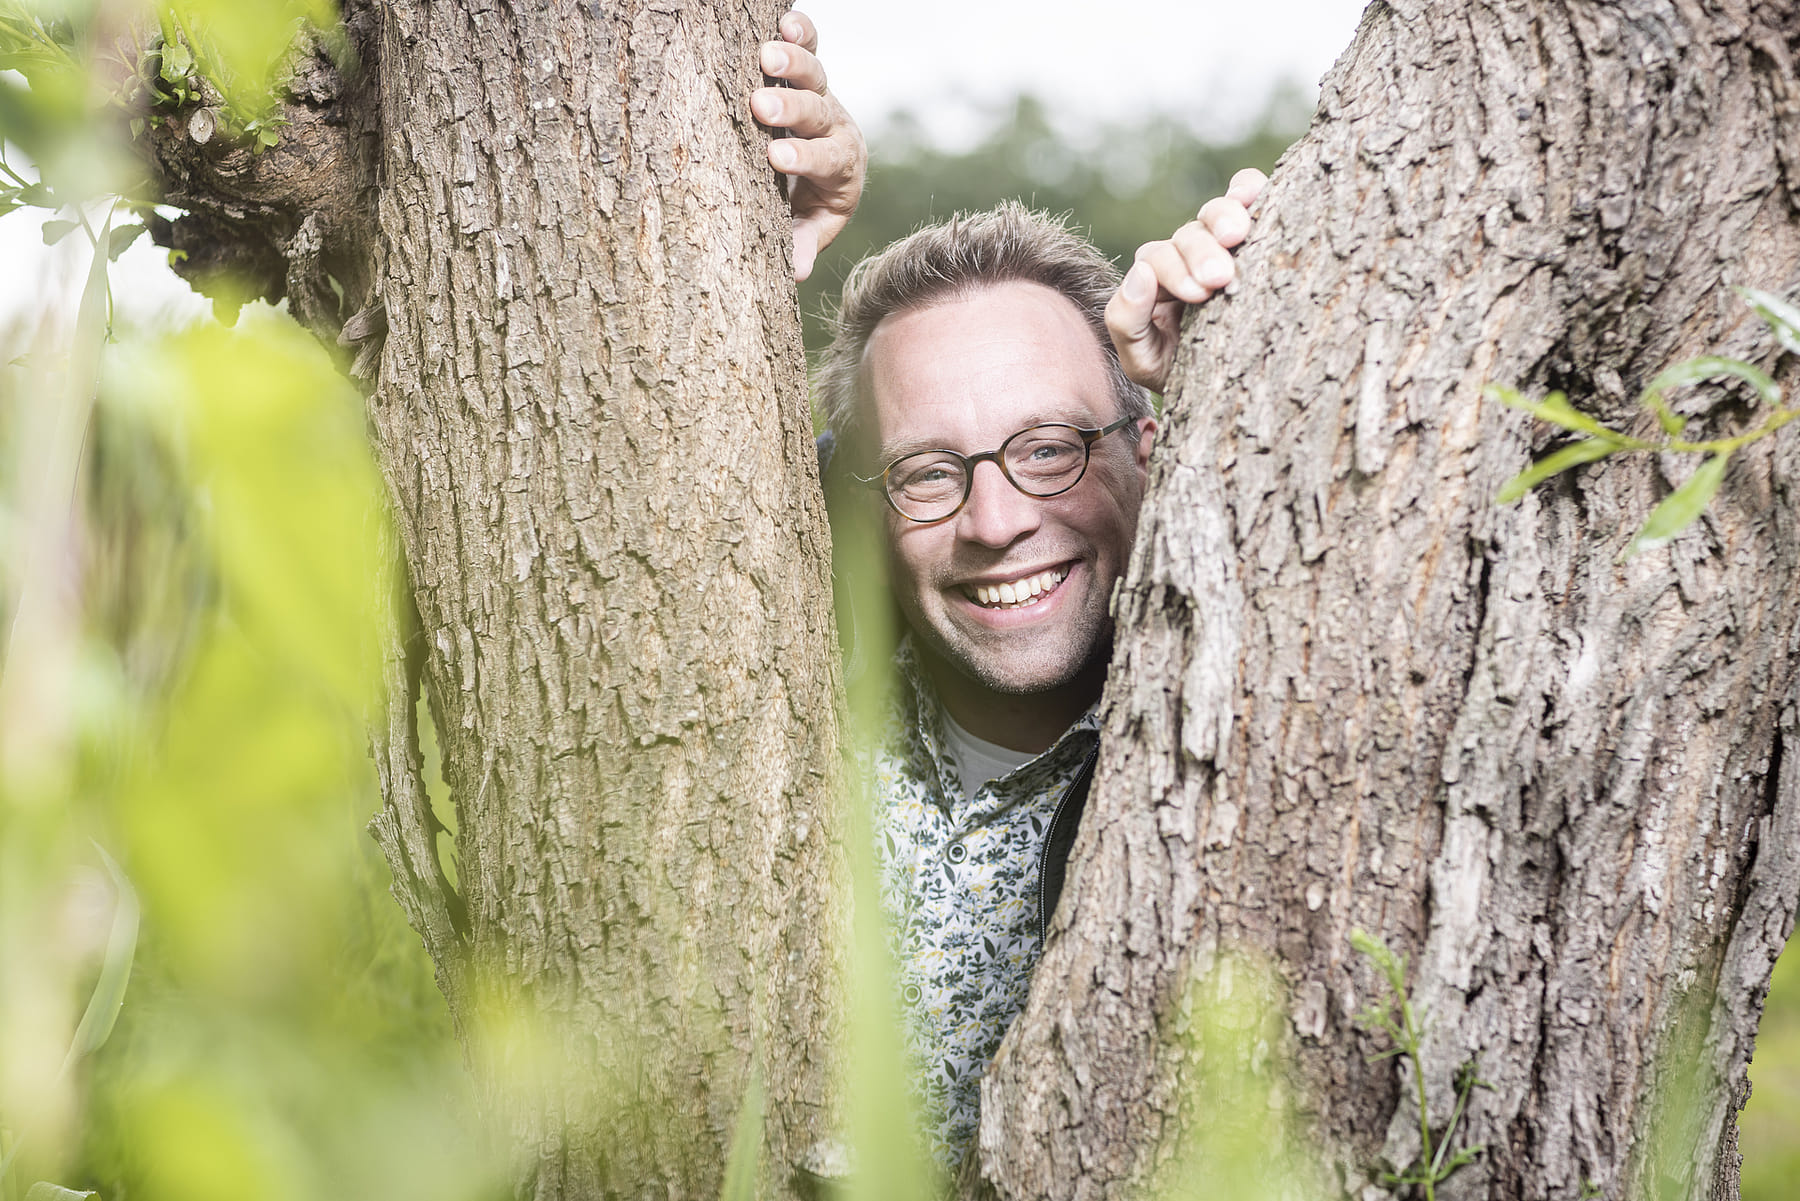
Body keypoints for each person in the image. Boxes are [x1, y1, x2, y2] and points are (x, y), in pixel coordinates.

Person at [751, 12, 1264, 1171]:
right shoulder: (793, 714)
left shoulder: (1250, 728)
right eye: (930, 472)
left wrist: (1262, 348)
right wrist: (744, 250)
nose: (995, 521)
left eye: (1048, 449)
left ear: (1151, 447)